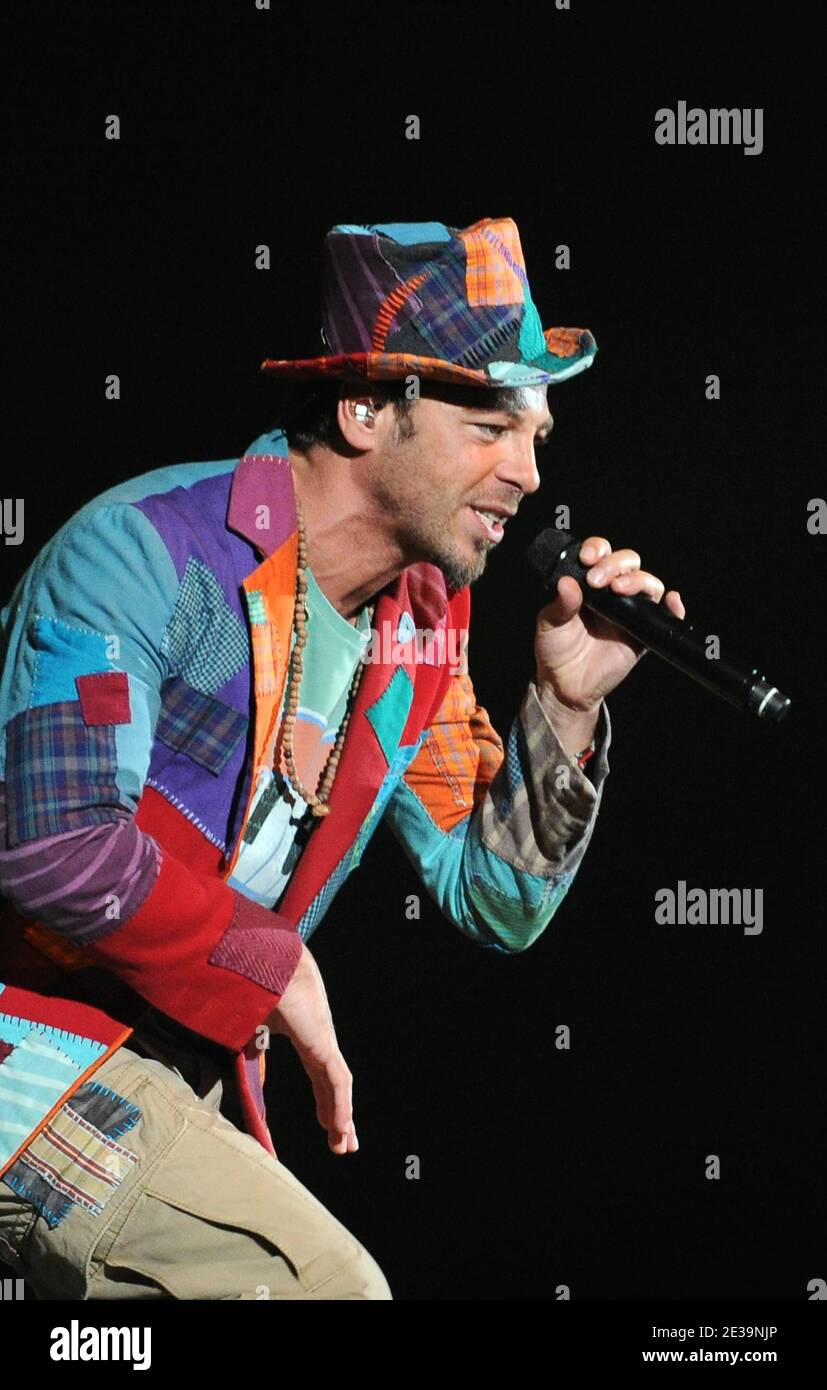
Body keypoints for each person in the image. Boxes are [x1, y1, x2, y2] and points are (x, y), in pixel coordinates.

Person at [0, 216, 684, 1299]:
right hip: (26, 1042)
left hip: (169, 1068)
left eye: (538, 433)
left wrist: (560, 704)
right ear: (365, 408)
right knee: (323, 1286)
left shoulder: (424, 621)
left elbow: (494, 900)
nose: (526, 470)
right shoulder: (148, 554)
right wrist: (271, 956)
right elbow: (53, 845)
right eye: (489, 423)